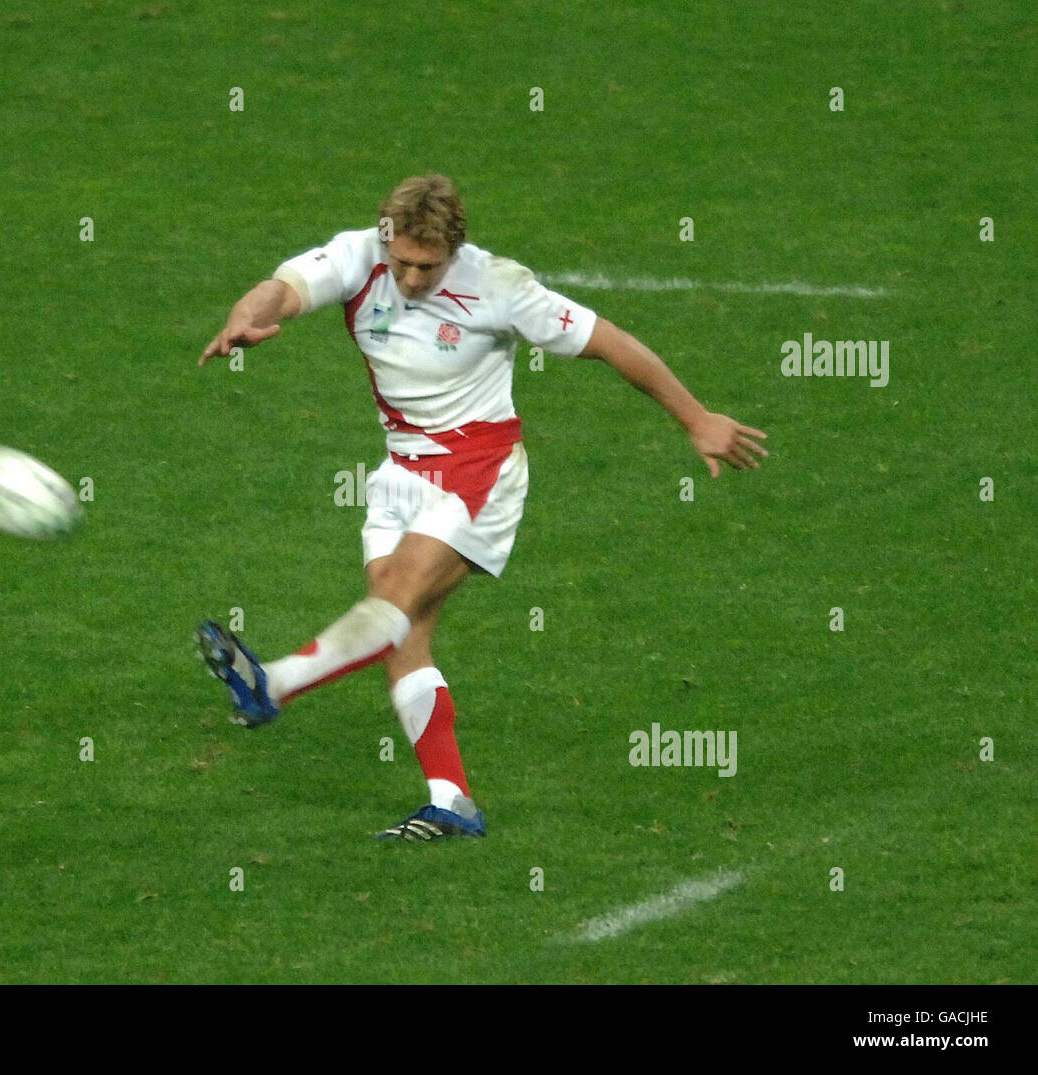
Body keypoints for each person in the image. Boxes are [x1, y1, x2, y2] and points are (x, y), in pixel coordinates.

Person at [197, 175, 767, 841]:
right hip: (399, 471)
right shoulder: (359, 256)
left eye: (427, 266)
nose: (409, 278)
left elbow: (611, 343)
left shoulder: (498, 284)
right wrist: (247, 313)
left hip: (479, 468)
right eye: (401, 261)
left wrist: (696, 418)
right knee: (401, 631)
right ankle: (452, 803)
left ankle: (273, 683)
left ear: (454, 250)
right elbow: (282, 289)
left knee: (398, 600)